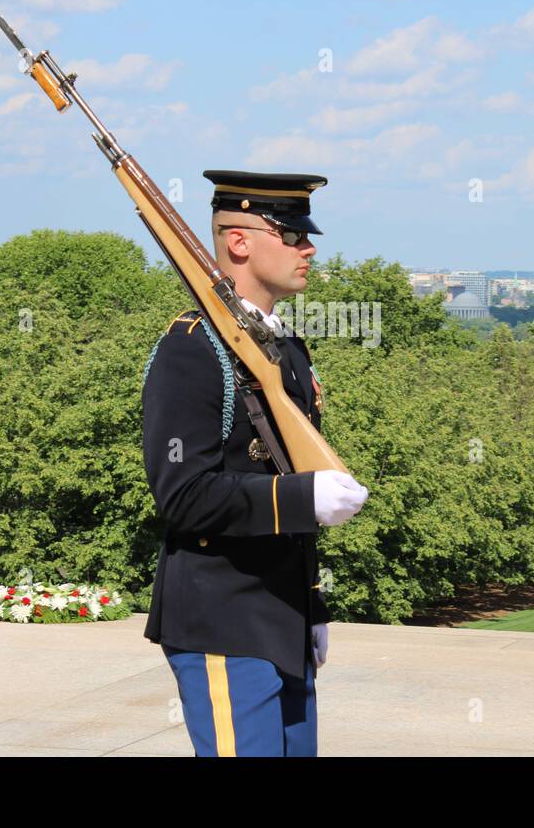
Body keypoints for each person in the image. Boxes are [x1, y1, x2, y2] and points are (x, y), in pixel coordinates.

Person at [141, 169, 369, 757]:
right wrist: (303, 498)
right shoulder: (193, 347)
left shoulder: (286, 348)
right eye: (292, 234)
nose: (308, 248)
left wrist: (311, 603)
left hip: (283, 615)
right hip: (223, 618)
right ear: (239, 242)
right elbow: (183, 494)